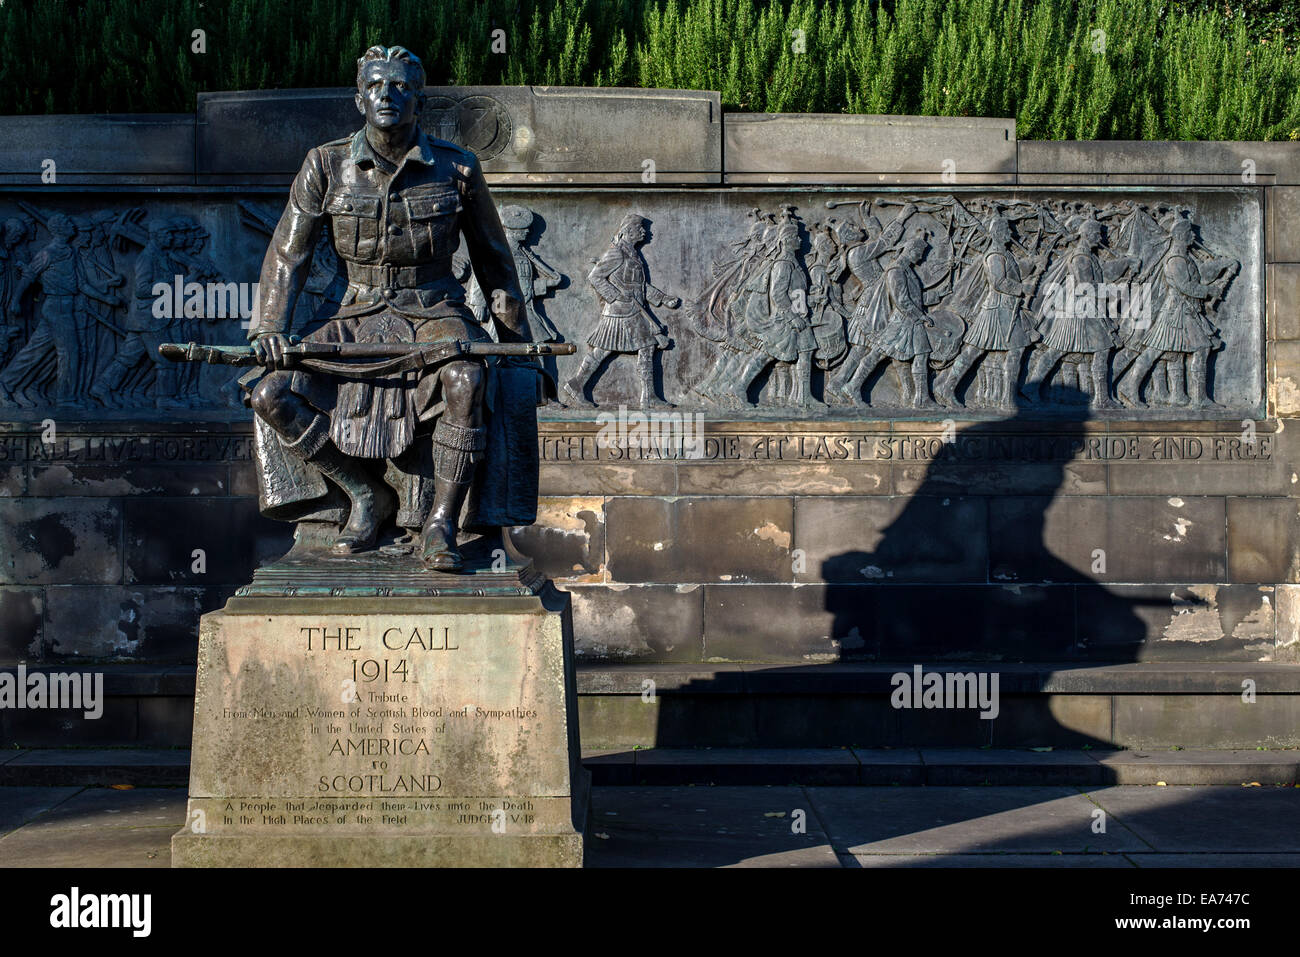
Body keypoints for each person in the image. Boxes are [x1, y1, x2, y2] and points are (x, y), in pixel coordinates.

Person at [244, 45, 538, 571]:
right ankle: (363, 494)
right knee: (269, 393)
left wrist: (517, 347)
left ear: (419, 100)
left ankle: (441, 525)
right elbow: (290, 254)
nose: (388, 96)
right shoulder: (325, 164)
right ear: (360, 99)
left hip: (434, 310)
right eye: (377, 86)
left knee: (467, 381)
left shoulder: (457, 167)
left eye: (401, 86)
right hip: (352, 316)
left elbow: (496, 265)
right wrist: (269, 328)